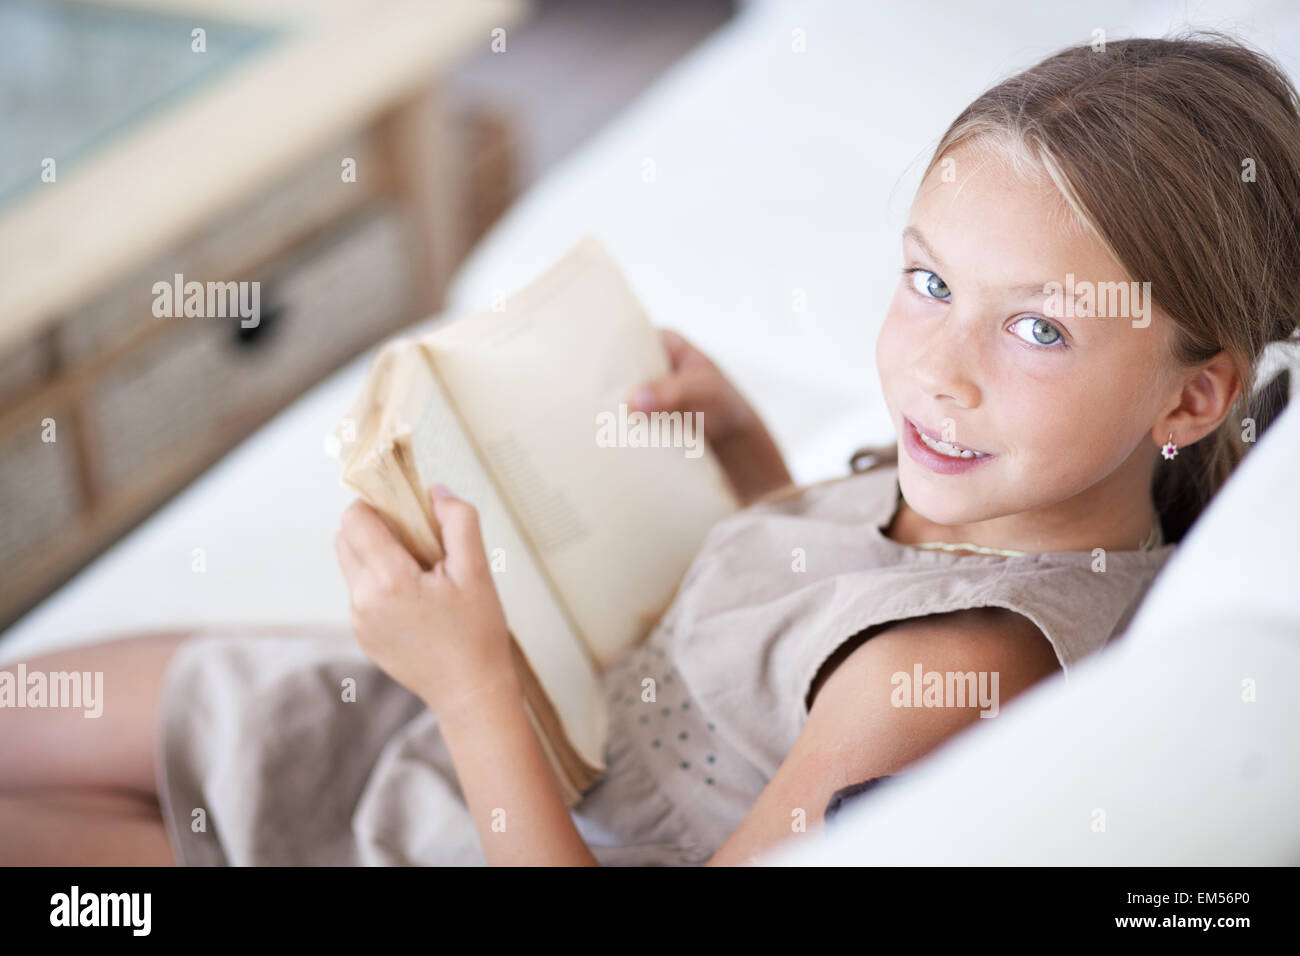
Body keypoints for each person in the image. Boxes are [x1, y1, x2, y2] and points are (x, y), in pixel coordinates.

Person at [2, 31, 1296, 866]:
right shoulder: (998, 488)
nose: (939, 368)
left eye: (1038, 329)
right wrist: (746, 457)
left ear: (1191, 401)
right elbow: (826, 602)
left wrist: (467, 687)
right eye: (928, 281)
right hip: (503, 723)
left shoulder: (943, 681)